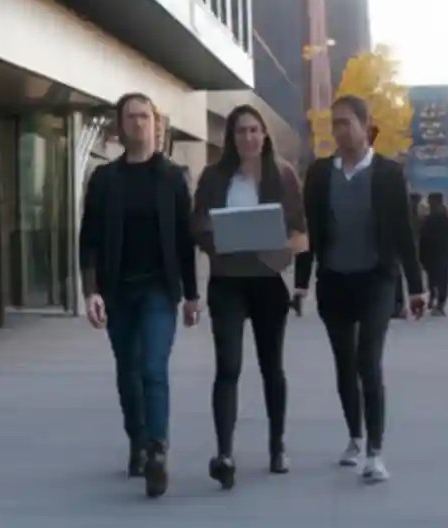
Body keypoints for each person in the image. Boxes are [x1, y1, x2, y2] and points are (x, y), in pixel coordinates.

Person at [294, 95, 424, 485]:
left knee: (368, 359)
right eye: (334, 123)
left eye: (346, 122)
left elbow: (403, 232)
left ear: (366, 127)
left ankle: (375, 452)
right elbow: (310, 232)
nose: (339, 130)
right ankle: (354, 435)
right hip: (334, 280)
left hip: (376, 280)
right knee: (345, 364)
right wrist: (301, 282)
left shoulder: (387, 173)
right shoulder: (319, 174)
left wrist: (416, 288)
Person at [79, 92, 199, 499]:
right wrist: (91, 291)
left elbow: (185, 239)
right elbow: (89, 239)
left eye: (145, 116)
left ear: (157, 124)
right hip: (117, 290)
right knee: (127, 372)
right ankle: (138, 439)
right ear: (119, 125)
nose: (138, 123)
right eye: (130, 117)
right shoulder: (104, 179)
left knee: (152, 368)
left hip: (159, 289)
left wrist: (192, 295)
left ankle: (157, 450)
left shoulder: (172, 177)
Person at [191, 105, 306, 489]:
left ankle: (277, 445)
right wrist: (218, 238)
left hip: (268, 281)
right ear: (231, 138)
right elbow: (198, 226)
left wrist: (281, 249)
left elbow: (301, 232)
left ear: (265, 135)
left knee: (271, 366)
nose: (249, 138)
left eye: (255, 130)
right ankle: (224, 452)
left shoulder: (284, 174)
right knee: (228, 367)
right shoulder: (214, 176)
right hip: (227, 281)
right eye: (241, 131)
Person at [419, 193, 448, 316]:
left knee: (433, 278)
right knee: (442, 279)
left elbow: (423, 237)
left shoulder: (428, 219)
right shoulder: (447, 218)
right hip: (443, 252)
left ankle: (434, 299)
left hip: (432, 252)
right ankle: (440, 302)